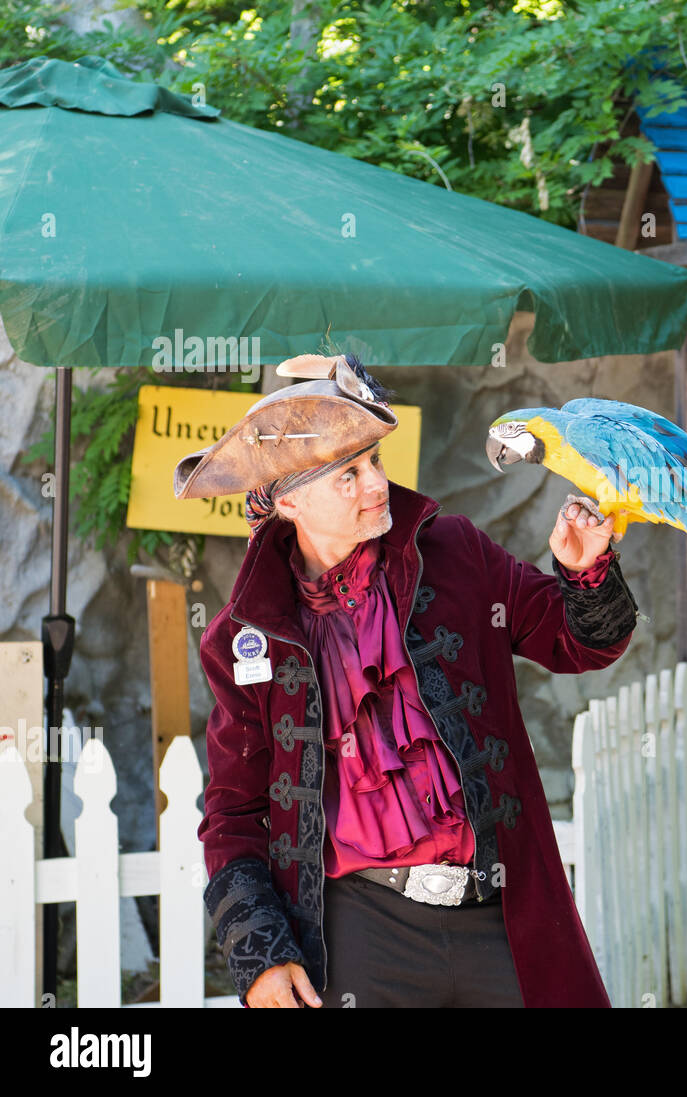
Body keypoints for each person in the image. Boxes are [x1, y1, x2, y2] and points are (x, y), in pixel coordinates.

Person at [175, 352, 641, 1007]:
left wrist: (583, 572)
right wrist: (260, 954)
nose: (376, 485)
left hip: (498, 913)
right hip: (361, 930)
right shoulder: (245, 637)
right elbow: (234, 812)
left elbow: (579, 642)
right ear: (290, 502)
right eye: (350, 473)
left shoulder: (455, 554)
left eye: (376, 460)